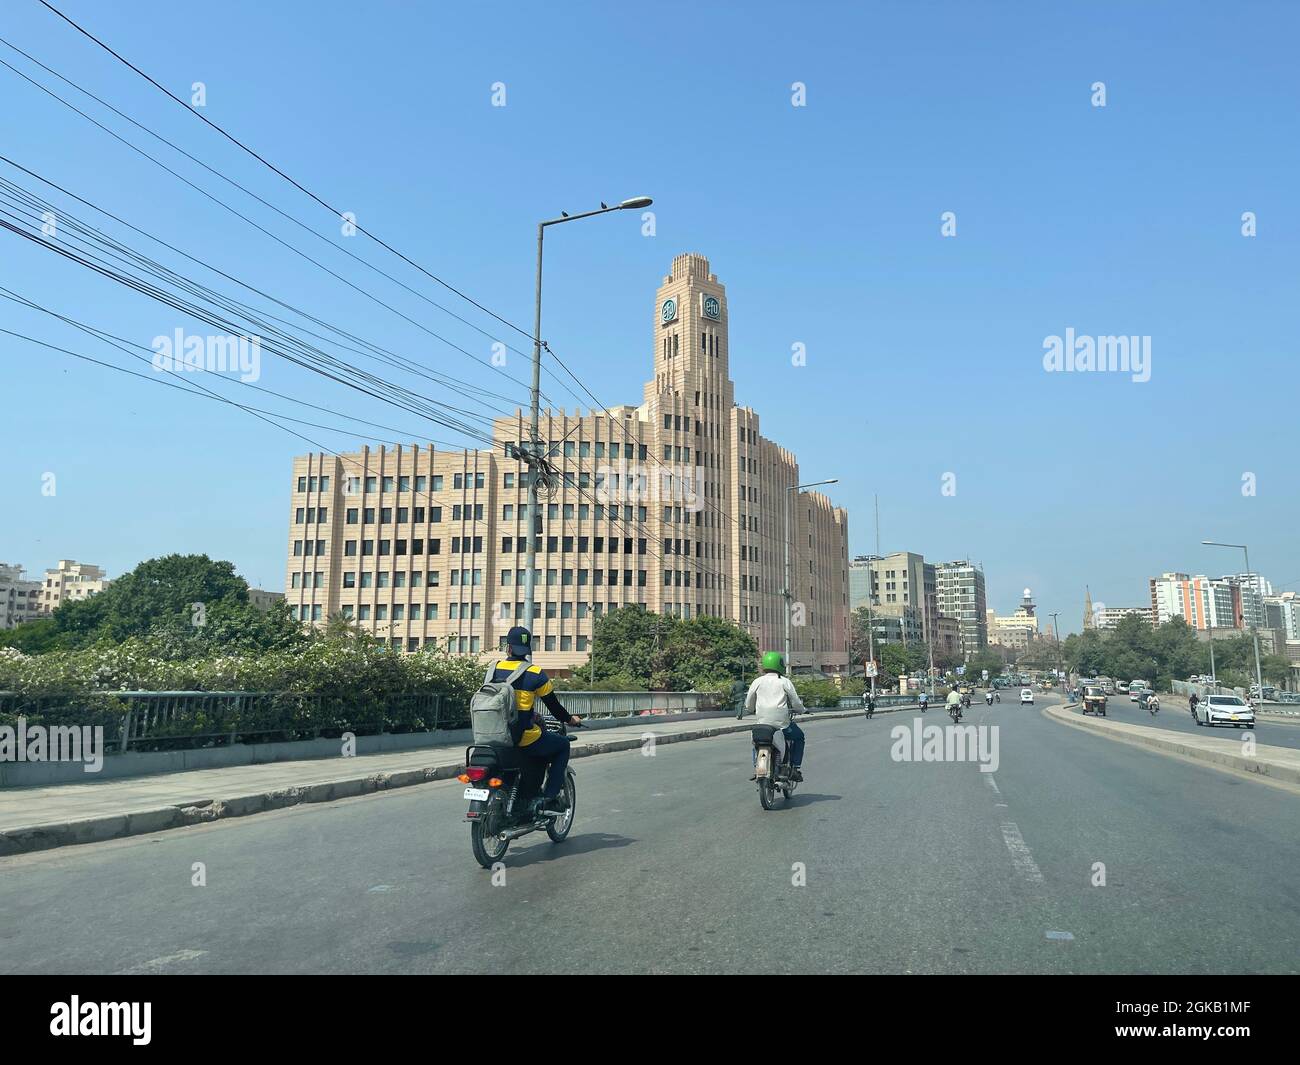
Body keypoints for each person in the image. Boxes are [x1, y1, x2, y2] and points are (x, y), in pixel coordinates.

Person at [490, 626, 581, 815]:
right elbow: (554, 707)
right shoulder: (535, 673)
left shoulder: (492, 670)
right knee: (562, 745)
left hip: (492, 736)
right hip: (521, 738)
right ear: (527, 650)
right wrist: (570, 719)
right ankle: (549, 798)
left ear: (508, 648)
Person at [746, 651, 806, 781]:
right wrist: (802, 710)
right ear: (780, 665)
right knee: (799, 737)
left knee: (756, 742)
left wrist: (751, 709)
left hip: (762, 723)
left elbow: (748, 703)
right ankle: (795, 767)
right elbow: (796, 702)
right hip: (781, 725)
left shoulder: (757, 681)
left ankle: (757, 766)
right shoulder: (784, 682)